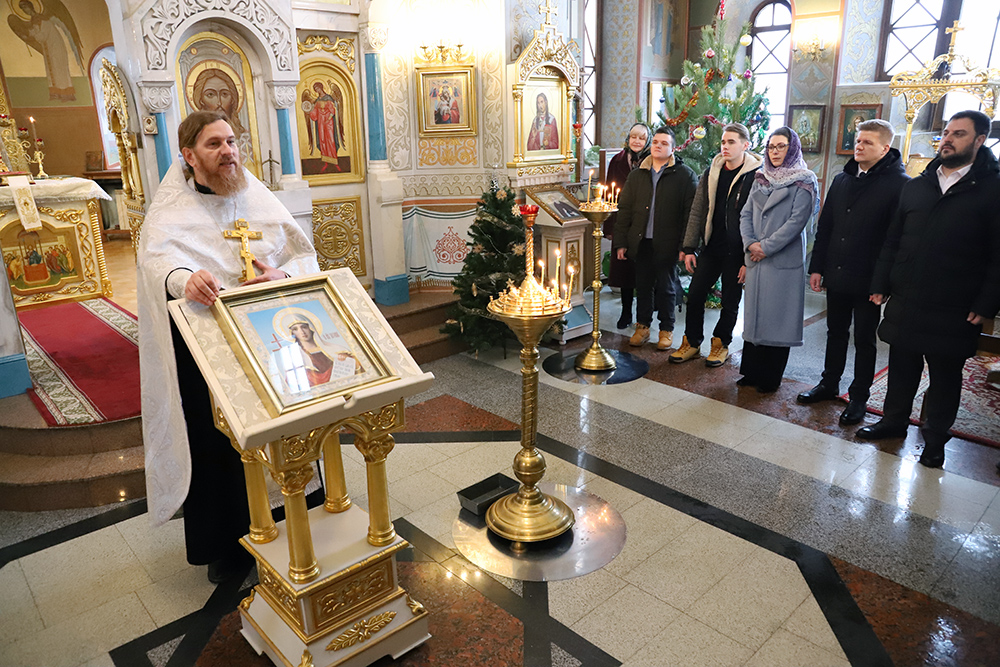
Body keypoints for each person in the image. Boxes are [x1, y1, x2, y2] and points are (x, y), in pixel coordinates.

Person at [136, 110, 319, 583]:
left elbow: (303, 254)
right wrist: (185, 279)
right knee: (220, 442)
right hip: (209, 345)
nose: (228, 152)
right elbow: (158, 261)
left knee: (283, 429)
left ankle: (297, 514)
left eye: (231, 142)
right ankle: (229, 542)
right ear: (189, 155)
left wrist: (282, 274)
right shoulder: (172, 209)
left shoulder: (253, 195)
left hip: (271, 340)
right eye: (214, 144)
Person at [859, 110, 1000, 469]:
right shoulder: (918, 184)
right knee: (902, 366)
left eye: (959, 134)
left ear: (979, 140)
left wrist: (987, 303)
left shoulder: (992, 190)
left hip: (956, 301)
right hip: (909, 294)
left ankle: (935, 438)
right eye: (946, 132)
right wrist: (881, 282)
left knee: (945, 375)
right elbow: (893, 240)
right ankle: (893, 422)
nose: (948, 139)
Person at [797, 120, 909, 425]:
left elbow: (894, 239)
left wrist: (882, 283)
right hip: (837, 271)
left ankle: (859, 397)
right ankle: (829, 383)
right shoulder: (841, 180)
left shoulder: (900, 185)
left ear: (885, 148)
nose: (859, 146)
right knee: (834, 333)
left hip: (869, 278)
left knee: (864, 339)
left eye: (867, 143)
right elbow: (827, 227)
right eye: (858, 141)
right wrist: (817, 267)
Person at [672, 123, 762, 366]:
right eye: (723, 142)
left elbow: (759, 218)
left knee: (730, 301)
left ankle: (720, 344)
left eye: (731, 142)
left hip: (738, 250)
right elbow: (697, 210)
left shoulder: (756, 175)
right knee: (697, 293)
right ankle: (691, 341)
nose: (725, 146)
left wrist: (748, 258)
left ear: (746, 145)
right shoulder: (712, 172)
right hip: (712, 246)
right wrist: (690, 247)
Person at [738, 127, 819, 392]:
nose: (774, 152)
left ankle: (769, 378)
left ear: (792, 148)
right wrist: (751, 244)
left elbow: (797, 222)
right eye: (771, 147)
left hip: (781, 259)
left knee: (777, 319)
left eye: (781, 146)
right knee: (755, 316)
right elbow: (746, 213)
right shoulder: (761, 176)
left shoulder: (804, 180)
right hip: (757, 257)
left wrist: (766, 247)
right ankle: (750, 371)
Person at [613, 126, 698, 350]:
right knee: (642, 286)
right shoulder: (638, 174)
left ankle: (666, 330)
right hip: (641, 241)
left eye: (664, 143)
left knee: (667, 287)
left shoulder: (684, 175)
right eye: (656, 142)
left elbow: (690, 214)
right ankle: (643, 327)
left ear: (673, 148)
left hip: (668, 243)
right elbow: (625, 210)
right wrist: (621, 242)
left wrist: (685, 246)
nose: (658, 146)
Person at [603, 123, 651, 329]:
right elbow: (608, 195)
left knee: (643, 271)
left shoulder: (652, 161)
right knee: (625, 271)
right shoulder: (618, 160)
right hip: (622, 222)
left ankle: (644, 317)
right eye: (633, 137)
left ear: (647, 140)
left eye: (641, 137)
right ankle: (625, 312)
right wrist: (610, 227)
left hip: (645, 222)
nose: (637, 141)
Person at [305, 82, 345, 172]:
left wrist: (329, 118)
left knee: (330, 140)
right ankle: (326, 162)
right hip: (321, 123)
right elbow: (314, 114)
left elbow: (332, 110)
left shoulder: (328, 98)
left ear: (321, 88)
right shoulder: (317, 100)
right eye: (315, 90)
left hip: (328, 123)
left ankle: (335, 162)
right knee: (322, 140)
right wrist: (309, 112)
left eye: (318, 89)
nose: (317, 91)